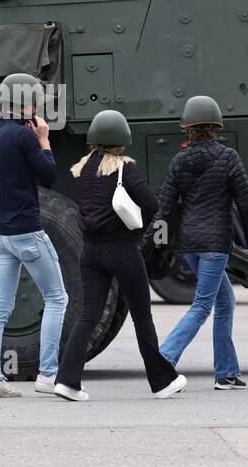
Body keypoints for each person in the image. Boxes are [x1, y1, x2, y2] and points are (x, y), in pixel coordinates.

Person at [54, 110, 186, 401]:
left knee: (87, 316)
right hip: (122, 251)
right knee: (142, 316)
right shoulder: (125, 169)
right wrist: (139, 229)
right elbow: (152, 205)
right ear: (121, 141)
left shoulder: (82, 171)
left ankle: (66, 380)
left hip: (90, 252)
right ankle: (162, 381)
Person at [148, 95, 248, 390]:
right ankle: (163, 359)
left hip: (189, 248)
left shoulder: (178, 160)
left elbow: (164, 207)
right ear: (216, 127)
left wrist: (151, 243)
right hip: (214, 245)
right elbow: (247, 206)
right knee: (202, 306)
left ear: (188, 128)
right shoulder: (228, 158)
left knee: (226, 301)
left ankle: (225, 372)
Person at [0, 72, 68, 398]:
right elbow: (48, 176)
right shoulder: (25, 137)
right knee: (58, 299)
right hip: (28, 233)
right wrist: (44, 139)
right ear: (27, 102)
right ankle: (47, 374)